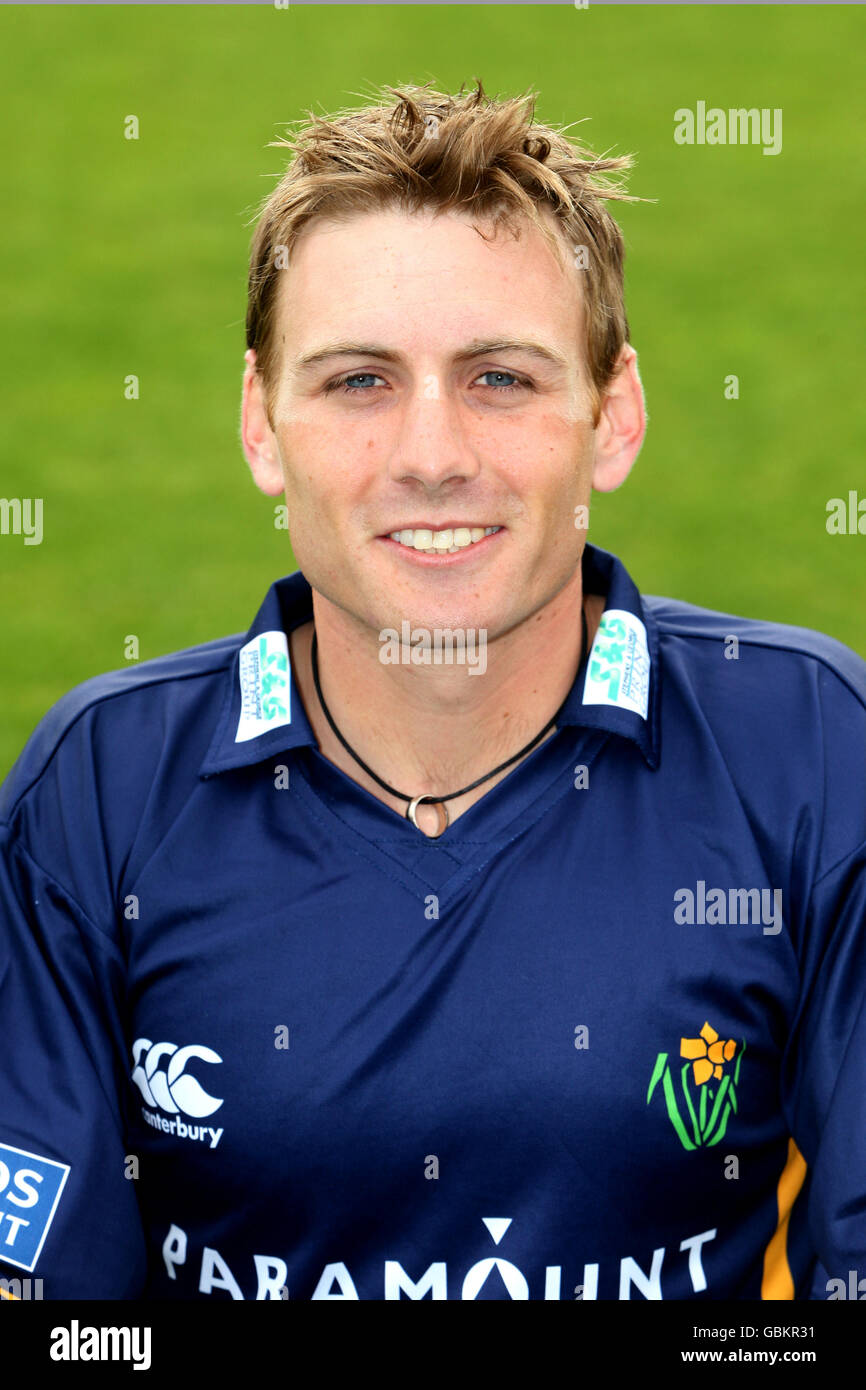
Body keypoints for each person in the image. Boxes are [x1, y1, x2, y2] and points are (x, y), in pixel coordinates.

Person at [1, 79, 864, 1302]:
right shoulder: (95, 792)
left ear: (611, 417)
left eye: (499, 378)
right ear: (260, 424)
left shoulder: (815, 753)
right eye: (357, 380)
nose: (431, 455)